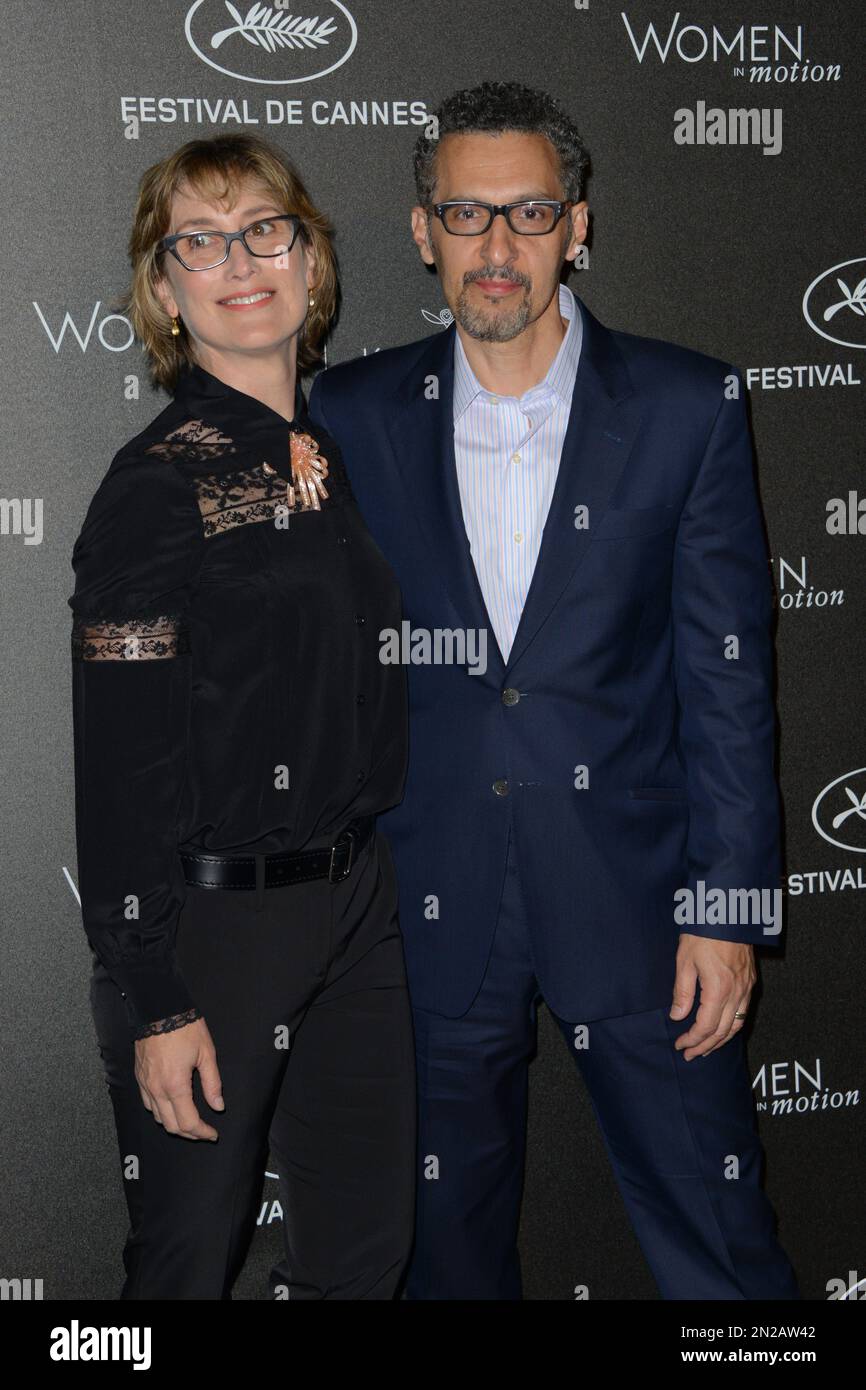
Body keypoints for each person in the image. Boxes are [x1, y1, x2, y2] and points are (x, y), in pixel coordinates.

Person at [307, 81, 801, 1300]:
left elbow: (726, 676)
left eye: (527, 213)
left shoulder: (687, 406)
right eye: (465, 215)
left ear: (575, 225)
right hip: (424, 908)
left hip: (641, 906)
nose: (496, 247)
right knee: (441, 1263)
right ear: (421, 230)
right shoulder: (350, 415)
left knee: (722, 1260)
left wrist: (726, 907)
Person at [68, 132, 415, 1300]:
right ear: (165, 289)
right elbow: (118, 764)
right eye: (200, 242)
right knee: (181, 1269)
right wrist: (154, 993)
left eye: (265, 229)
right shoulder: (155, 486)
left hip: (352, 904)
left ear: (310, 261)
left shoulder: (327, 454)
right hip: (212, 932)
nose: (239, 260)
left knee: (362, 1256)